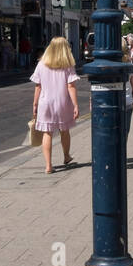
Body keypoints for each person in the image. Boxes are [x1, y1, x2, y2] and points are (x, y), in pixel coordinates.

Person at [31, 36, 80, 174]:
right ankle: (66, 156)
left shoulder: (41, 64)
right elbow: (71, 86)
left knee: (47, 133)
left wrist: (34, 104)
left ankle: (48, 165)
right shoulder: (67, 65)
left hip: (45, 102)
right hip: (63, 102)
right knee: (64, 130)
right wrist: (76, 105)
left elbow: (38, 87)